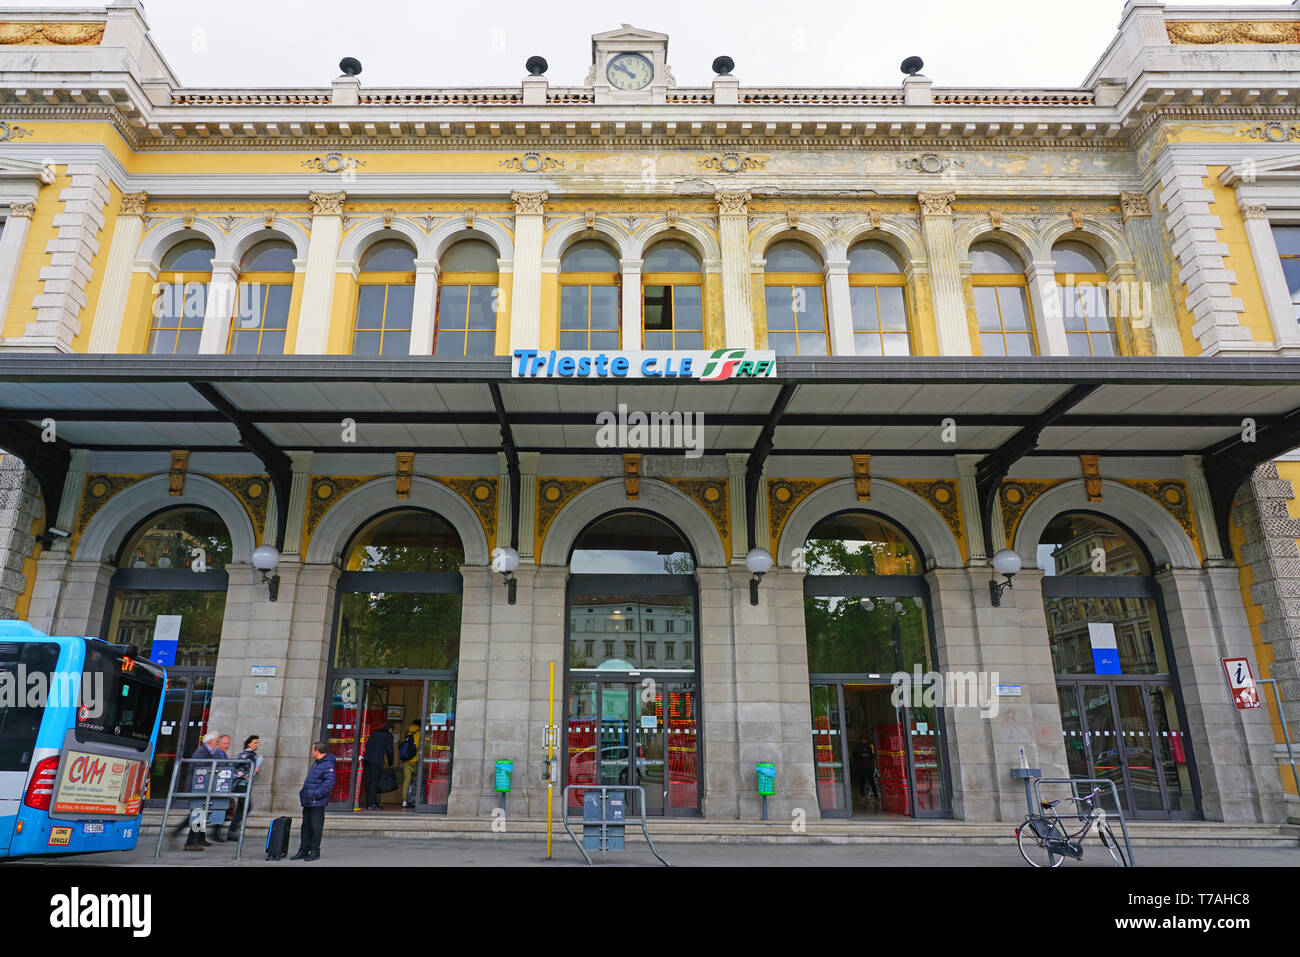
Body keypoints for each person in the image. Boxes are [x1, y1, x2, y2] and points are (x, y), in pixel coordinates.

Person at [293, 741, 335, 861]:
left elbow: (328, 784)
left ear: (317, 751)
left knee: (316, 827)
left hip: (317, 801)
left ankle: (314, 851)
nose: (311, 752)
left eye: (312, 750)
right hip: (309, 800)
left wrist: (315, 795)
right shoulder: (317, 763)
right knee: (306, 826)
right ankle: (303, 850)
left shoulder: (327, 765)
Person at [179, 732, 220, 851]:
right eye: (216, 740)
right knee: (197, 815)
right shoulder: (201, 752)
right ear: (210, 742)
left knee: (202, 814)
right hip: (197, 788)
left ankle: (200, 838)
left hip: (203, 788)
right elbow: (201, 768)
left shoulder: (209, 753)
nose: (217, 743)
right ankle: (190, 842)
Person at [225, 734, 262, 837]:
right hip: (241, 784)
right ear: (249, 743)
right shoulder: (244, 755)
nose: (256, 745)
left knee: (242, 808)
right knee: (245, 806)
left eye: (257, 743)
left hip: (247, 784)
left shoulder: (253, 755)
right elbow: (235, 769)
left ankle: (232, 830)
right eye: (254, 742)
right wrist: (246, 774)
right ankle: (232, 829)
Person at [362, 723, 394, 810]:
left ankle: (368, 802)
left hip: (367, 759)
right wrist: (391, 764)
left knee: (368, 781)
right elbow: (390, 751)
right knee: (374, 782)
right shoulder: (388, 736)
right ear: (390, 729)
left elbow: (367, 745)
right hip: (377, 760)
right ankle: (372, 803)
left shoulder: (374, 733)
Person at [398, 721, 421, 808]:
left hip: (406, 760)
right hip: (416, 760)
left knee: (406, 780)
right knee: (416, 780)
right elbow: (419, 746)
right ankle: (415, 799)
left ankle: (404, 800)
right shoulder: (419, 733)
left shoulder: (407, 732)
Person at [852, 732, 879, 800]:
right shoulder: (857, 746)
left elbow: (872, 755)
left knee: (872, 781)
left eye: (865, 739)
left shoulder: (869, 746)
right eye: (863, 739)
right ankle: (862, 795)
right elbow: (854, 755)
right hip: (861, 767)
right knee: (862, 781)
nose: (864, 741)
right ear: (861, 740)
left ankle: (876, 795)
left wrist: (871, 757)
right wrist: (861, 755)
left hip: (869, 766)